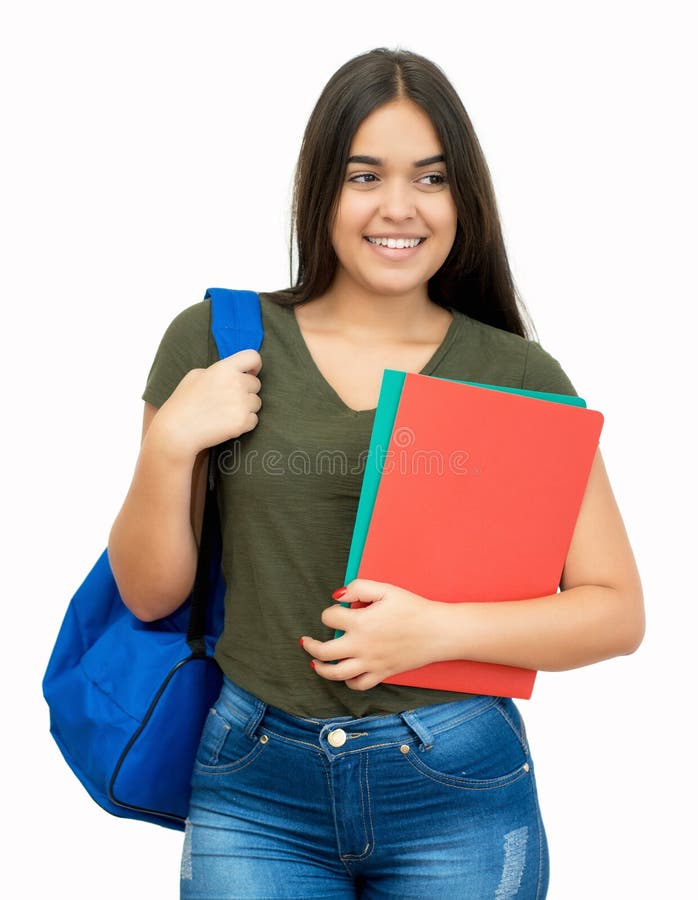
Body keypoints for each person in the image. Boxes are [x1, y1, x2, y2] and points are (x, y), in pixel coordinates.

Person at [107, 47, 645, 899]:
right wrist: (170, 444)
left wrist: (437, 633)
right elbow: (149, 595)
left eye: (430, 179)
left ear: (463, 197)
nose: (399, 208)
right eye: (366, 176)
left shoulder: (517, 373)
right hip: (254, 787)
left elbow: (616, 611)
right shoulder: (216, 342)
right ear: (321, 187)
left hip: (457, 784)